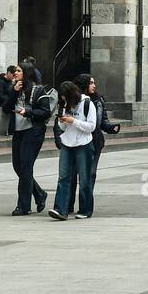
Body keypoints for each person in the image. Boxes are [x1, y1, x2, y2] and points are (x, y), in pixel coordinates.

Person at [59, 74, 120, 216]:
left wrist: (111, 128)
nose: (94, 85)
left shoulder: (95, 101)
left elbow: (100, 121)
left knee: (88, 175)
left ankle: (85, 207)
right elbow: (61, 124)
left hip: (93, 140)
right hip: (71, 141)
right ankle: (65, 207)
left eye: (94, 82)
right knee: (69, 175)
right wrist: (60, 136)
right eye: (91, 83)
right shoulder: (68, 102)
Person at [3, 64, 56, 215]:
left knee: (26, 167)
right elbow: (6, 108)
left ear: (27, 73)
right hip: (18, 132)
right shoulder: (14, 88)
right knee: (18, 167)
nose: (15, 73)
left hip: (33, 132)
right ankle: (39, 193)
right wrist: (14, 92)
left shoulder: (39, 90)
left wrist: (28, 112)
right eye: (15, 71)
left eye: (19, 71)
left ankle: (23, 206)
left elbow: (45, 112)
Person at [48, 80, 97, 221]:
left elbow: (91, 126)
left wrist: (73, 121)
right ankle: (60, 209)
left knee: (84, 178)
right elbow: (63, 128)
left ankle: (86, 209)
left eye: (65, 97)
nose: (64, 100)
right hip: (67, 143)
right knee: (63, 177)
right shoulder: (64, 105)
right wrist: (62, 122)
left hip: (84, 144)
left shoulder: (87, 104)